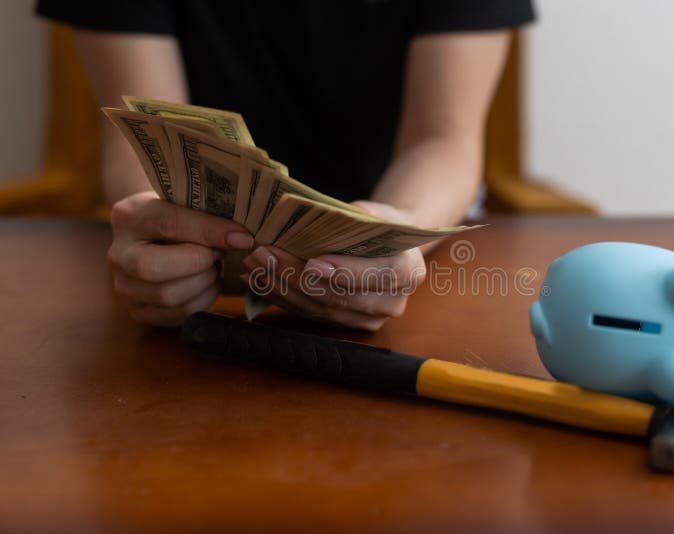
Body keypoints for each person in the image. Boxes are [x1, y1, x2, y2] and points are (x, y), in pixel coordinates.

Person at [36, 1, 535, 330]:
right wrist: (158, 235)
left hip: (406, 285)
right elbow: (137, 138)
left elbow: (443, 139)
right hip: (200, 290)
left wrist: (396, 226)